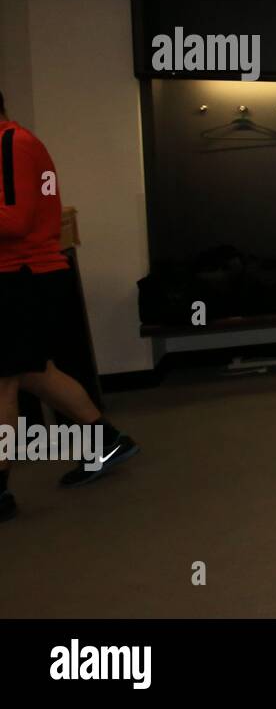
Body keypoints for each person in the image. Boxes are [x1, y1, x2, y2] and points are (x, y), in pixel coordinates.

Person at [0, 90, 140, 523]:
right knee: (34, 372)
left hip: (23, 276)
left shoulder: (13, 143)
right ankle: (105, 440)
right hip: (20, 276)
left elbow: (15, 219)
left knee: (3, 380)